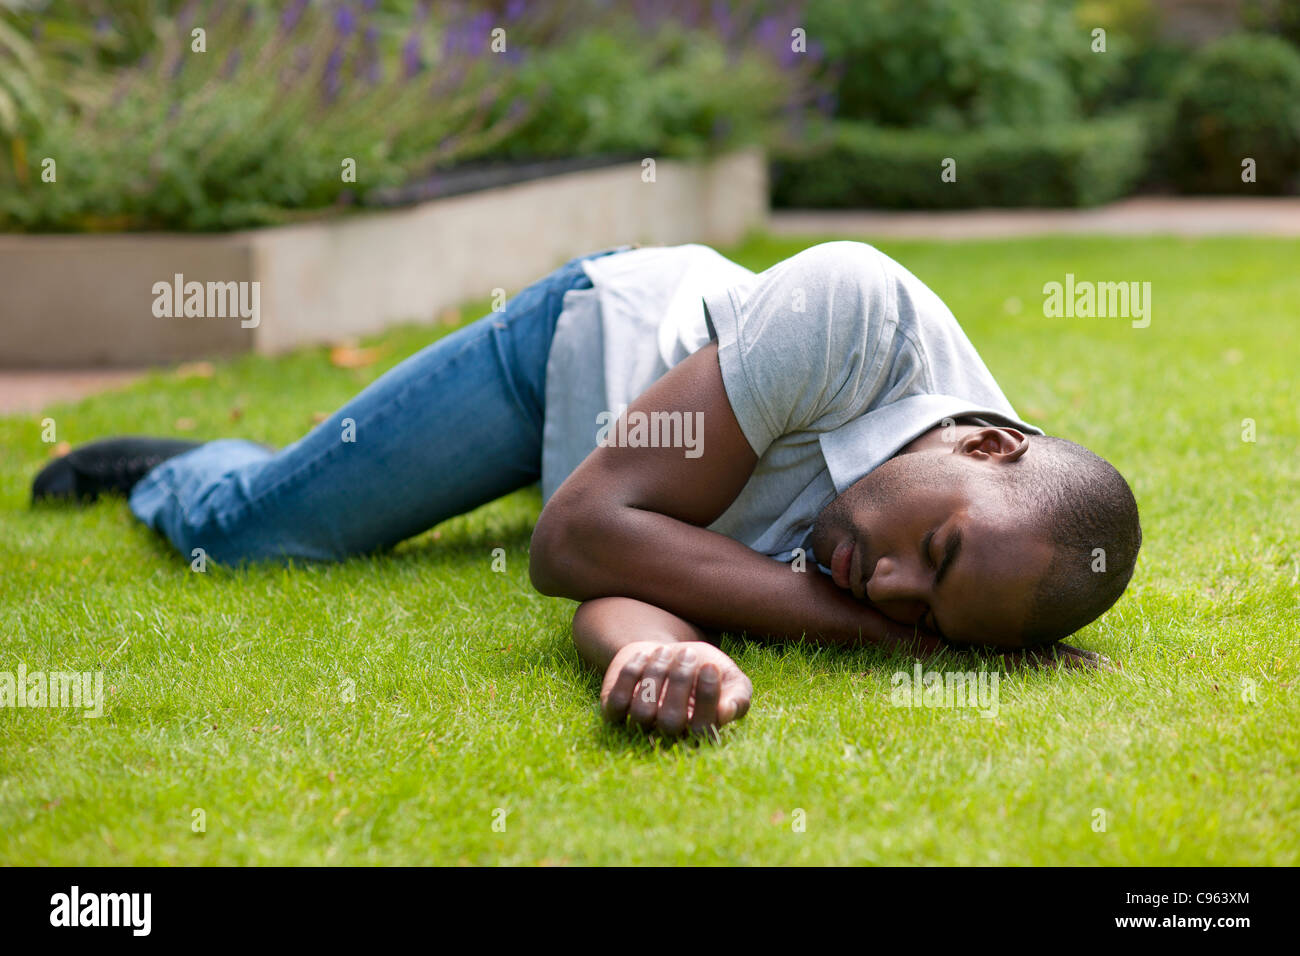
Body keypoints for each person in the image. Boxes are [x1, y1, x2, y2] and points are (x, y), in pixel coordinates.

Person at [33, 241, 1141, 736]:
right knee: (252, 536)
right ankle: (180, 465)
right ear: (988, 445)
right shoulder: (860, 310)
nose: (887, 586)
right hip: (566, 357)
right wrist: (892, 645)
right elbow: (575, 541)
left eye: (925, 614)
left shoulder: (925, 549)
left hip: (640, 488)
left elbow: (620, 586)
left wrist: (663, 652)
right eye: (931, 555)